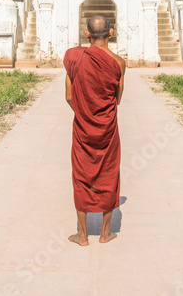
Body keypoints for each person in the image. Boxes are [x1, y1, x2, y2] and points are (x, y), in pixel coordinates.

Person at [63, 14, 126, 246]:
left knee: (81, 176)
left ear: (86, 34)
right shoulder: (119, 63)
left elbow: (69, 95)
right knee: (109, 174)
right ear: (111, 33)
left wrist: (82, 111)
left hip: (82, 126)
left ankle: (81, 235)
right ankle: (105, 233)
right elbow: (117, 99)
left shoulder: (74, 57)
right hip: (108, 127)